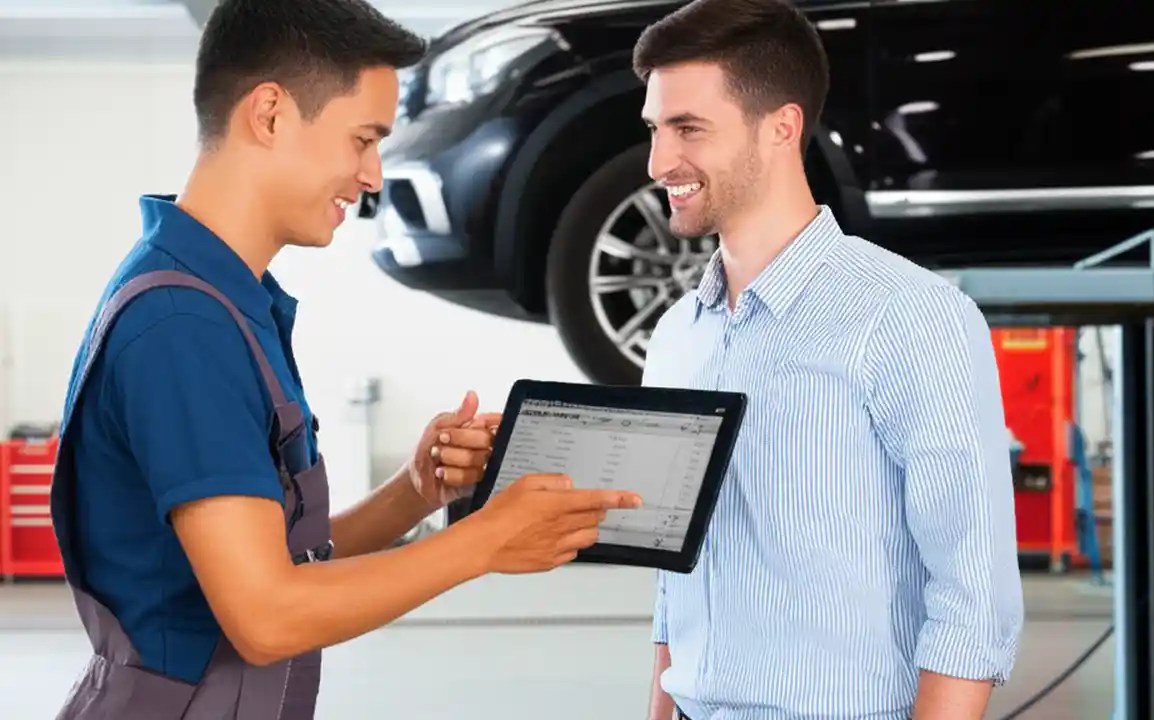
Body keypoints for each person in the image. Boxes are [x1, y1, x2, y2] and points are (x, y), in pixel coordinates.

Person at [48, 1, 641, 717]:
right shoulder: (184, 324)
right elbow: (267, 616)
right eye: (363, 139)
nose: (372, 175)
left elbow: (280, 557)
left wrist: (413, 493)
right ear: (269, 114)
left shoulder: (225, 301)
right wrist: (484, 542)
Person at [632, 1, 1024, 718]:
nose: (660, 162)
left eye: (689, 129)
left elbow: (975, 593)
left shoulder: (905, 316)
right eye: (656, 129)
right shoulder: (677, 336)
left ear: (782, 127)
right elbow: (677, 574)